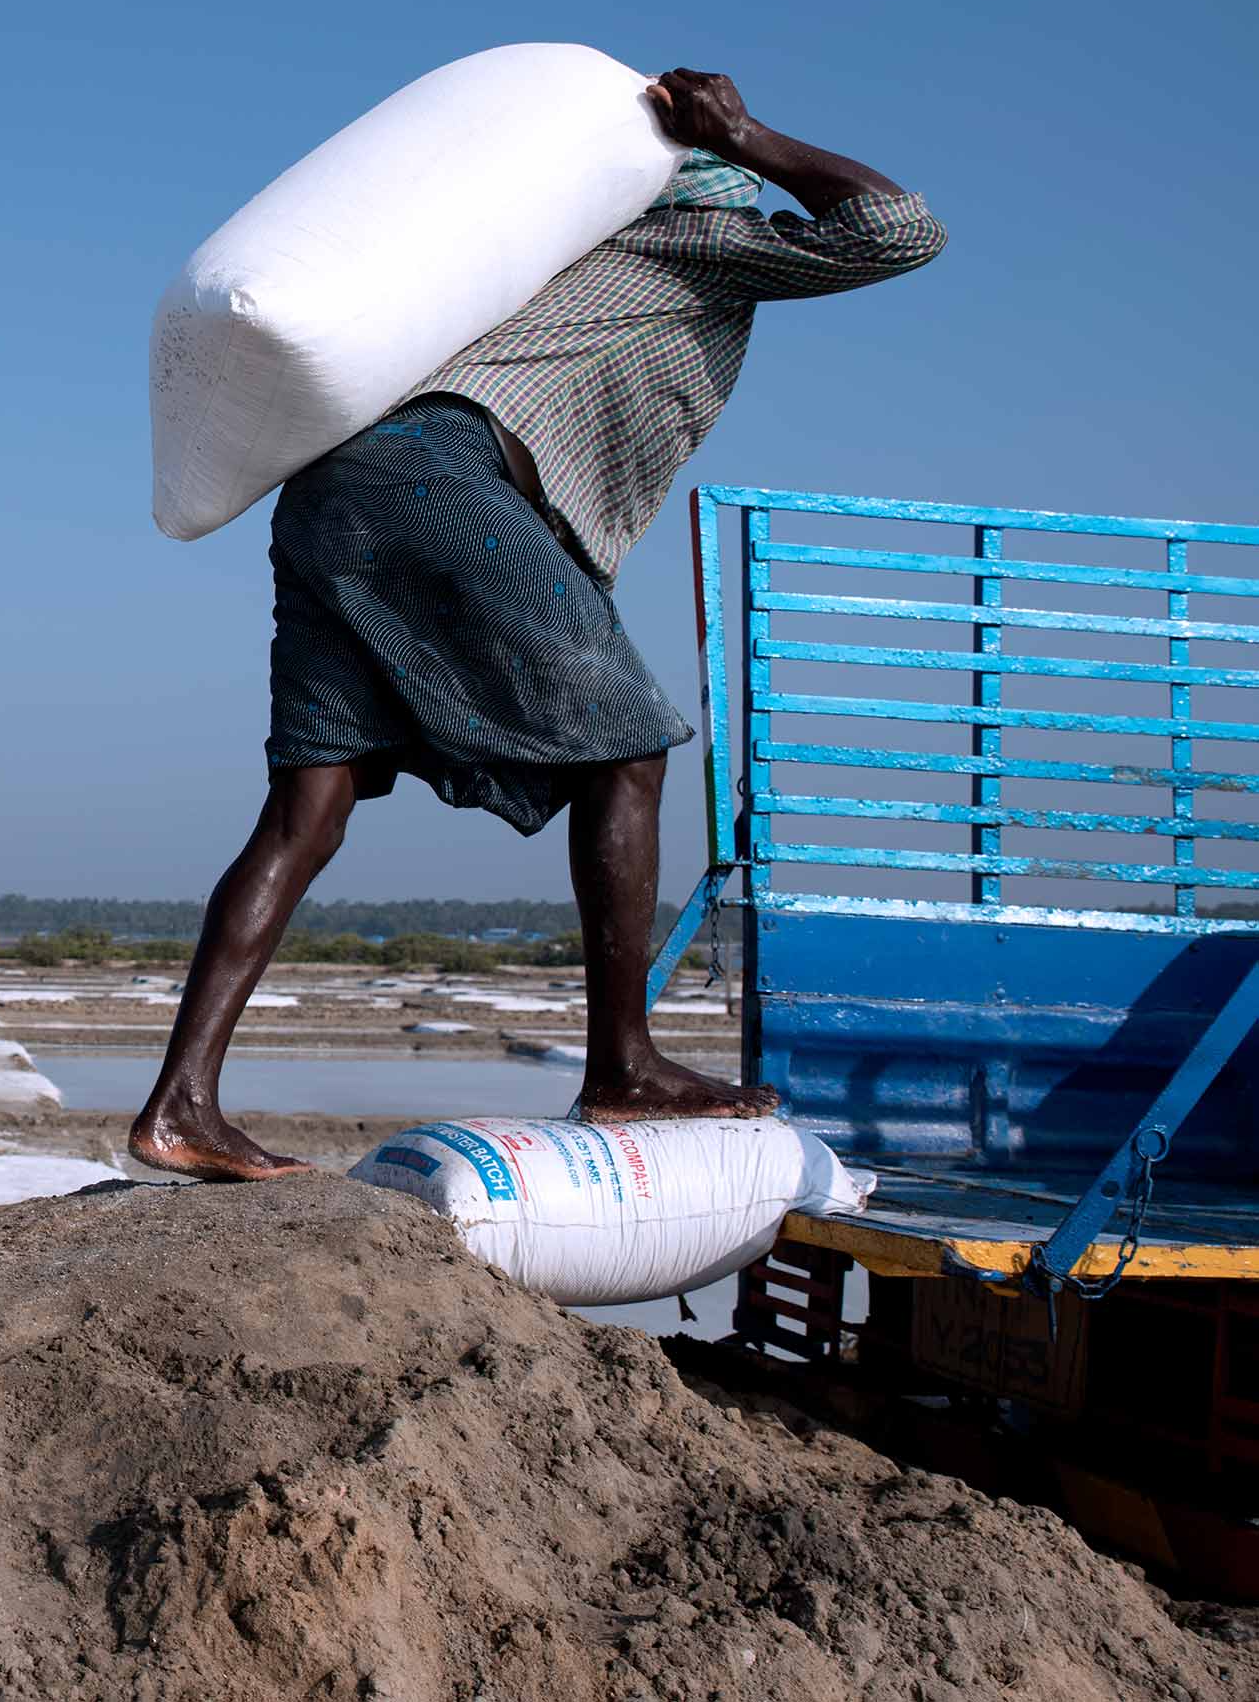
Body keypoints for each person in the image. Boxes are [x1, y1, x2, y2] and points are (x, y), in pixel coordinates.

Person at [131, 69, 947, 1182]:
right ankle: (623, 1064)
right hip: (437, 478)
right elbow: (900, 231)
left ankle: (180, 1108)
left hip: (334, 491)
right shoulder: (697, 240)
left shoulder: (557, 269)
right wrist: (747, 137)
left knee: (305, 814)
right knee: (632, 752)